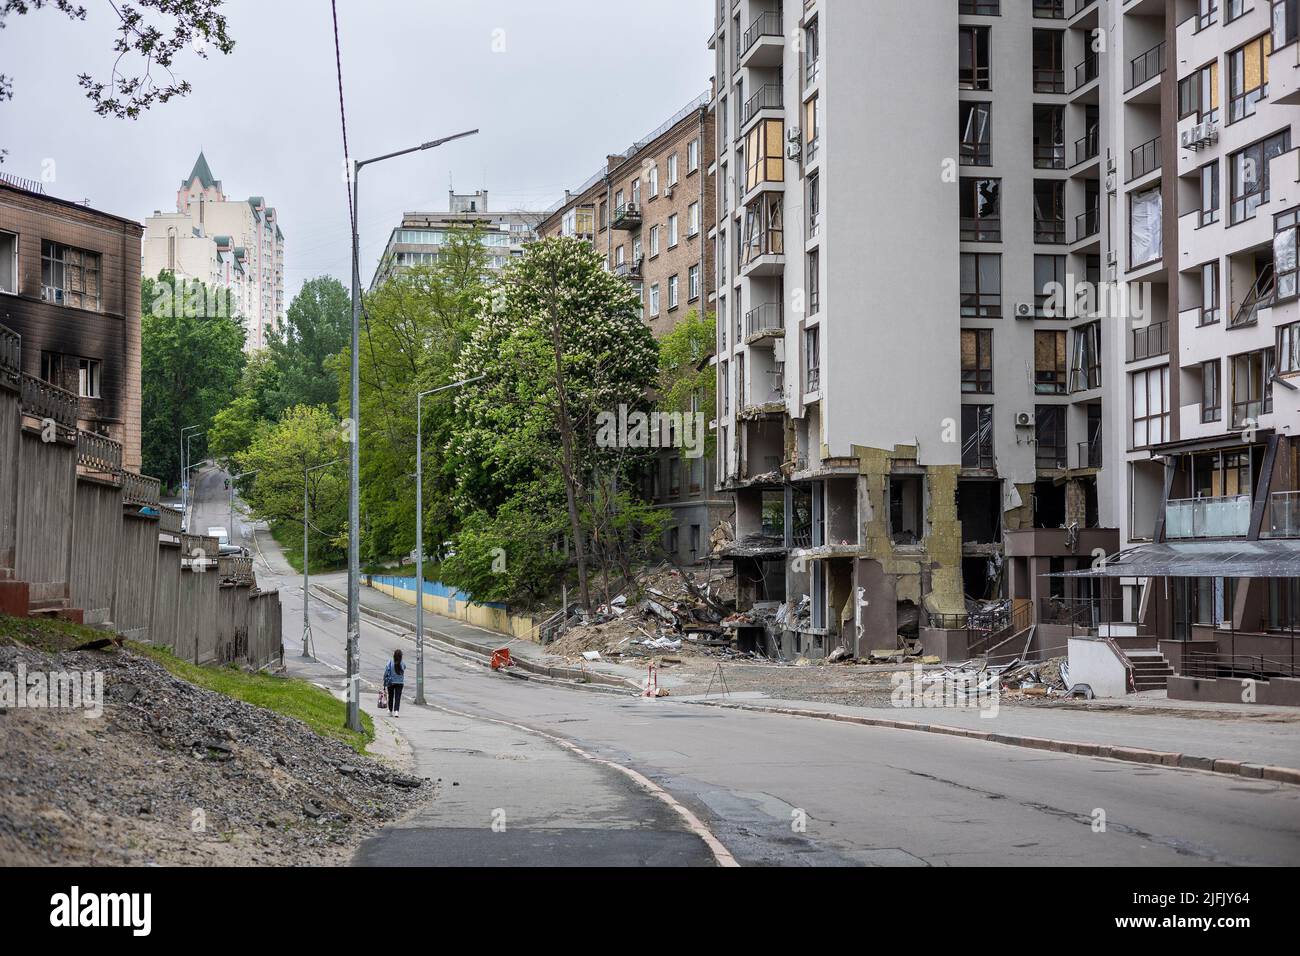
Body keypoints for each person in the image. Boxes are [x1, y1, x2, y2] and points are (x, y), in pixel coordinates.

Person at [383, 649, 406, 717]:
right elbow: (404, 668)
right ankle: (396, 711)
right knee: (397, 697)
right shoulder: (402, 663)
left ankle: (390, 710)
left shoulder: (390, 662)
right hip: (400, 683)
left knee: (391, 696)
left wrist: (384, 680)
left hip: (391, 682)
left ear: (394, 655)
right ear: (401, 656)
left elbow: (386, 671)